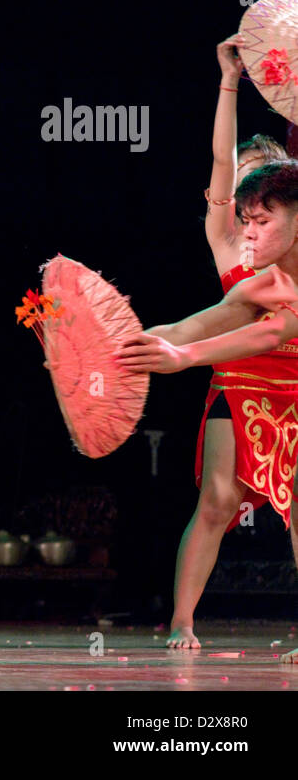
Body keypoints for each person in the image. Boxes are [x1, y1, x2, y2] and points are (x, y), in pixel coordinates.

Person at [119, 161, 298, 664]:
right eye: (245, 220)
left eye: (263, 221)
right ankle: (182, 618)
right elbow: (187, 328)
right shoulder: (264, 286)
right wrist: (102, 348)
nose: (249, 233)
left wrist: (185, 359)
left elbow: (271, 333)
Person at [155, 35, 289, 650]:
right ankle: (182, 618)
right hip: (235, 374)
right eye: (245, 180)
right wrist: (229, 80)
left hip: (293, 370)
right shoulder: (229, 235)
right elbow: (217, 159)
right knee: (216, 500)